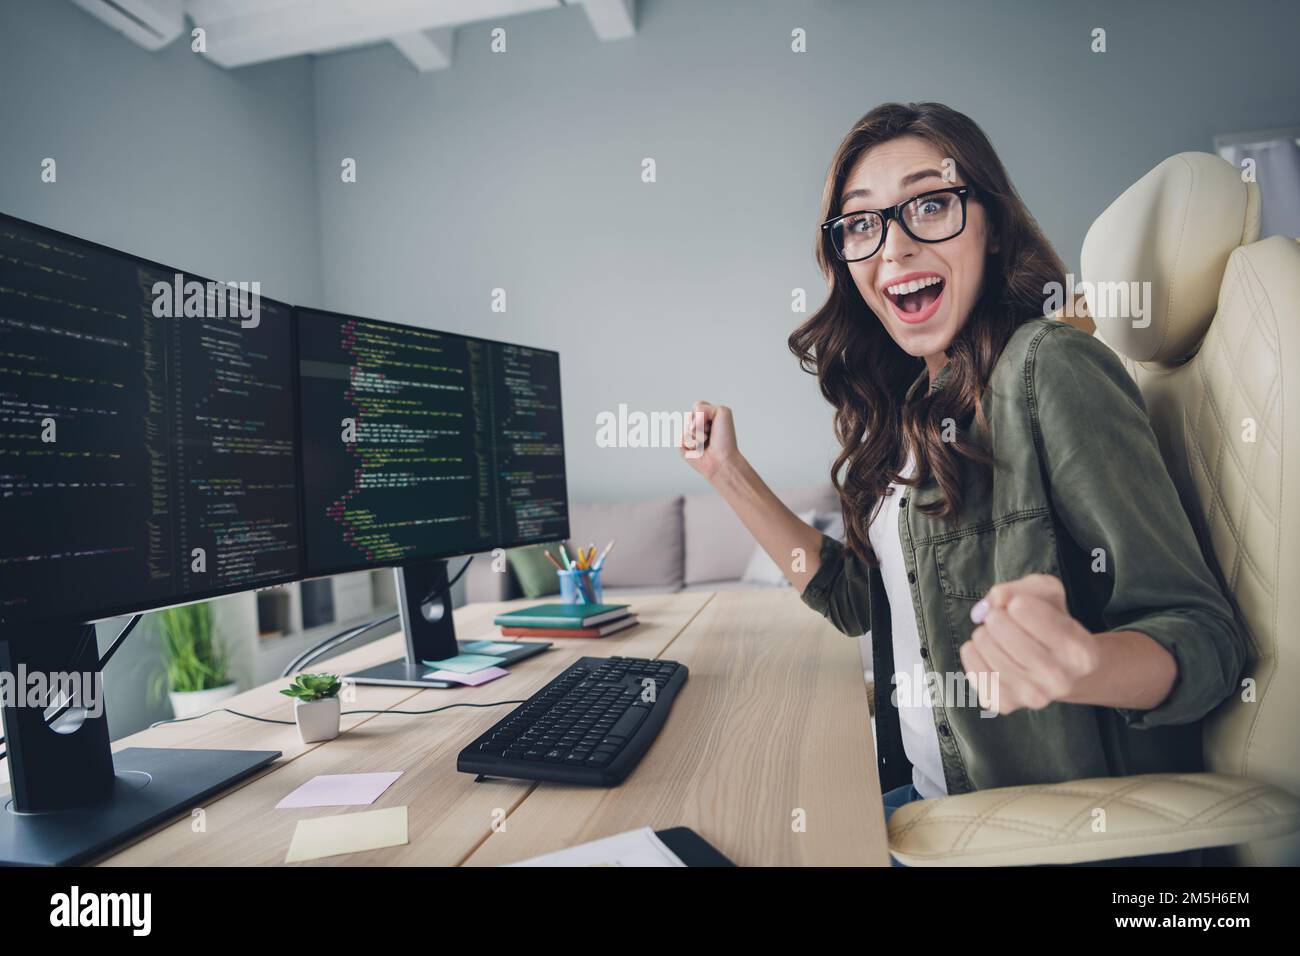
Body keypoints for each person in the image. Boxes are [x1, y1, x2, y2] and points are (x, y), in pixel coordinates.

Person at [680, 102, 1246, 865]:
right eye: (861, 224)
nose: (897, 247)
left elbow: (1207, 641)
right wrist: (728, 474)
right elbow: (858, 604)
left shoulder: (1050, 369)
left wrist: (1084, 662)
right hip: (928, 811)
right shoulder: (910, 413)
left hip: (1038, 840)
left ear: (991, 223)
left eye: (932, 204)